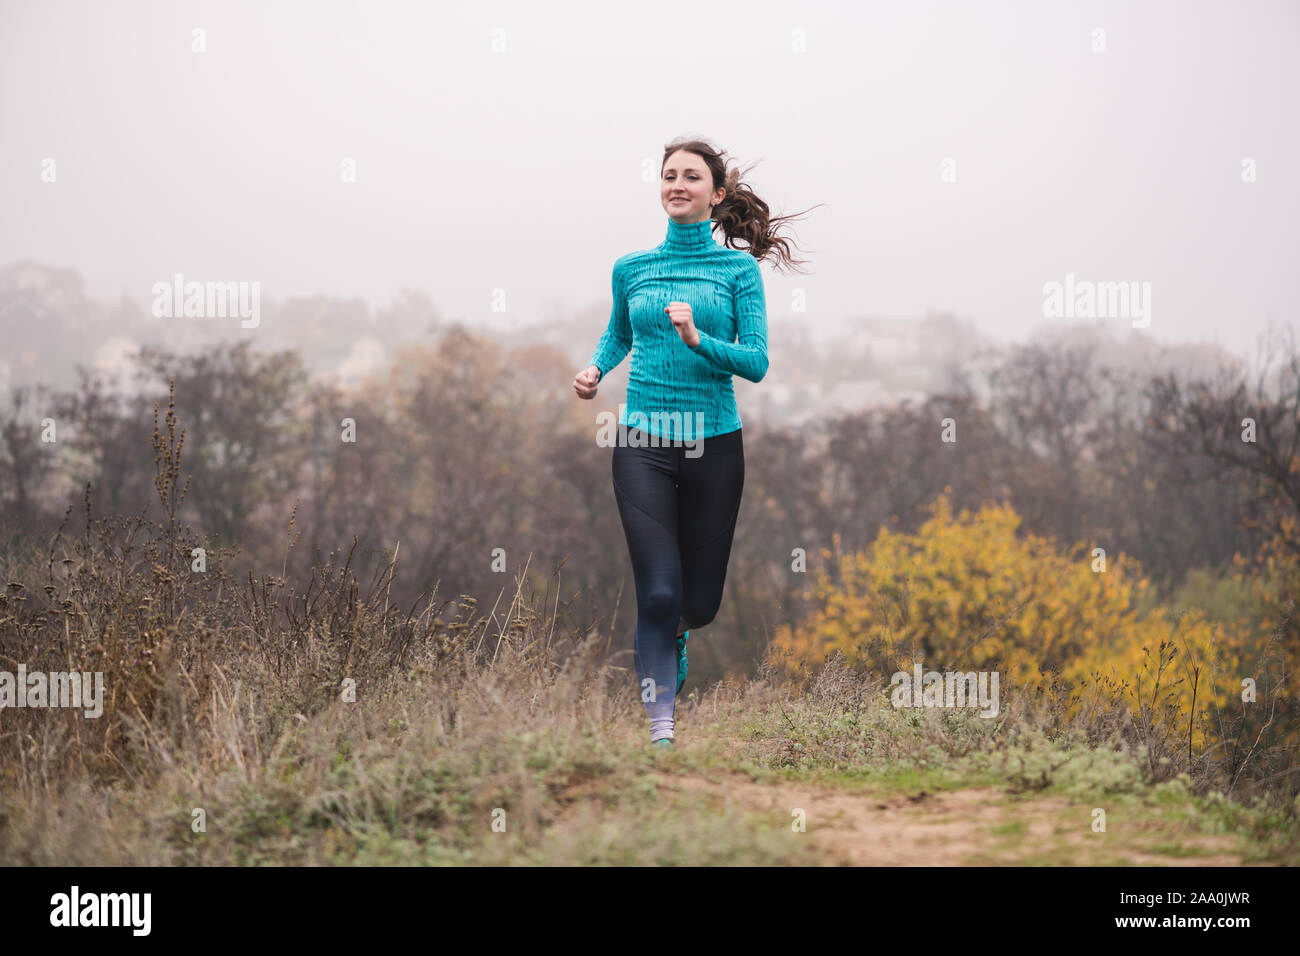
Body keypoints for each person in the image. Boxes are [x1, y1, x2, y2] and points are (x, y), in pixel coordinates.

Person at [572, 137, 820, 750]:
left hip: (714, 445)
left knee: (698, 602)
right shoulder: (632, 268)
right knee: (658, 590)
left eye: (690, 176)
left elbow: (756, 363)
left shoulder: (737, 272)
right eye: (668, 176)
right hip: (643, 441)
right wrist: (595, 371)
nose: (676, 185)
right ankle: (661, 734)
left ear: (717, 193)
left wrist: (697, 338)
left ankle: (679, 635)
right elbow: (617, 334)